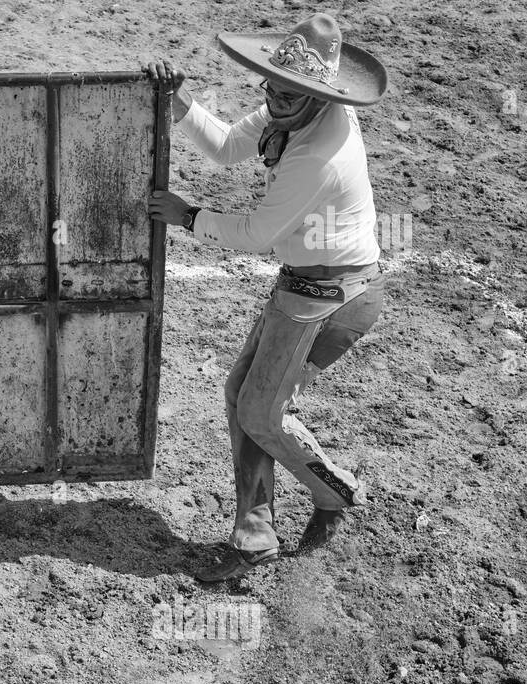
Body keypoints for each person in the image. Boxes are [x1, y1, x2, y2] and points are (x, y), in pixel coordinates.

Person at [145, 12, 389, 581]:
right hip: (312, 286)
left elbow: (257, 234)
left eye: (290, 91)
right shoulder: (301, 105)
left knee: (258, 408)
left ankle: (334, 493)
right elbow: (230, 146)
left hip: (331, 298)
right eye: (273, 87)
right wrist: (178, 102)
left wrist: (189, 217)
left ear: (317, 93)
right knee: (243, 397)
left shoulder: (315, 158)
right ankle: (254, 533)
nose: (276, 99)